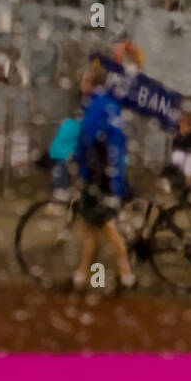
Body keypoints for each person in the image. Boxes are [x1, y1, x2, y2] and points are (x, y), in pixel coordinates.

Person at [72, 60, 134, 291]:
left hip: (98, 177)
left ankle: (127, 274)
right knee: (90, 227)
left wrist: (76, 159)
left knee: (107, 227)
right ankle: (80, 275)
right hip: (109, 175)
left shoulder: (94, 107)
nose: (80, 84)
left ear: (90, 83)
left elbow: (88, 140)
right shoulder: (110, 105)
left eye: (83, 80)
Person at [47, 114, 82, 202]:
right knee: (64, 173)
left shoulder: (69, 123)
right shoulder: (79, 125)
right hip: (66, 153)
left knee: (58, 174)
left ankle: (57, 194)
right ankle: (61, 193)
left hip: (56, 152)